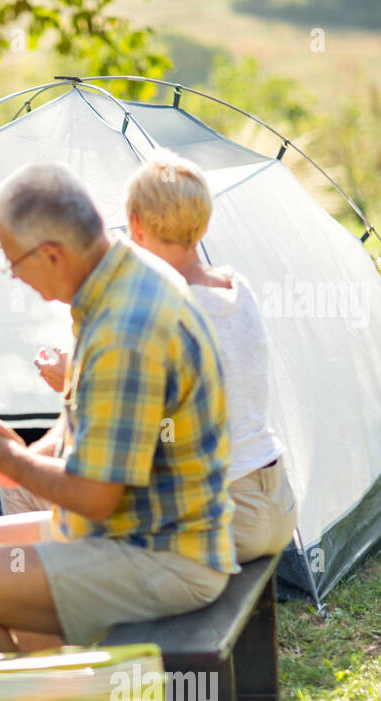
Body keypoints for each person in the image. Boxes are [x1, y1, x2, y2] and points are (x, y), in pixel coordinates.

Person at [0, 162, 238, 654]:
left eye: (11, 262)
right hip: (135, 525)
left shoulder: (121, 329)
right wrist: (14, 451)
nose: (12, 276)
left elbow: (93, 496)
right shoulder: (115, 276)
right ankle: (58, 698)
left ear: (50, 254)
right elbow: (87, 430)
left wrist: (4, 460)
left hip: (164, 552)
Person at [125, 151, 296, 562]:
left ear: (135, 227)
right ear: (204, 224)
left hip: (227, 514)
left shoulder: (163, 308)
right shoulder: (237, 287)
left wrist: (70, 386)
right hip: (279, 503)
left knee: (75, 523)